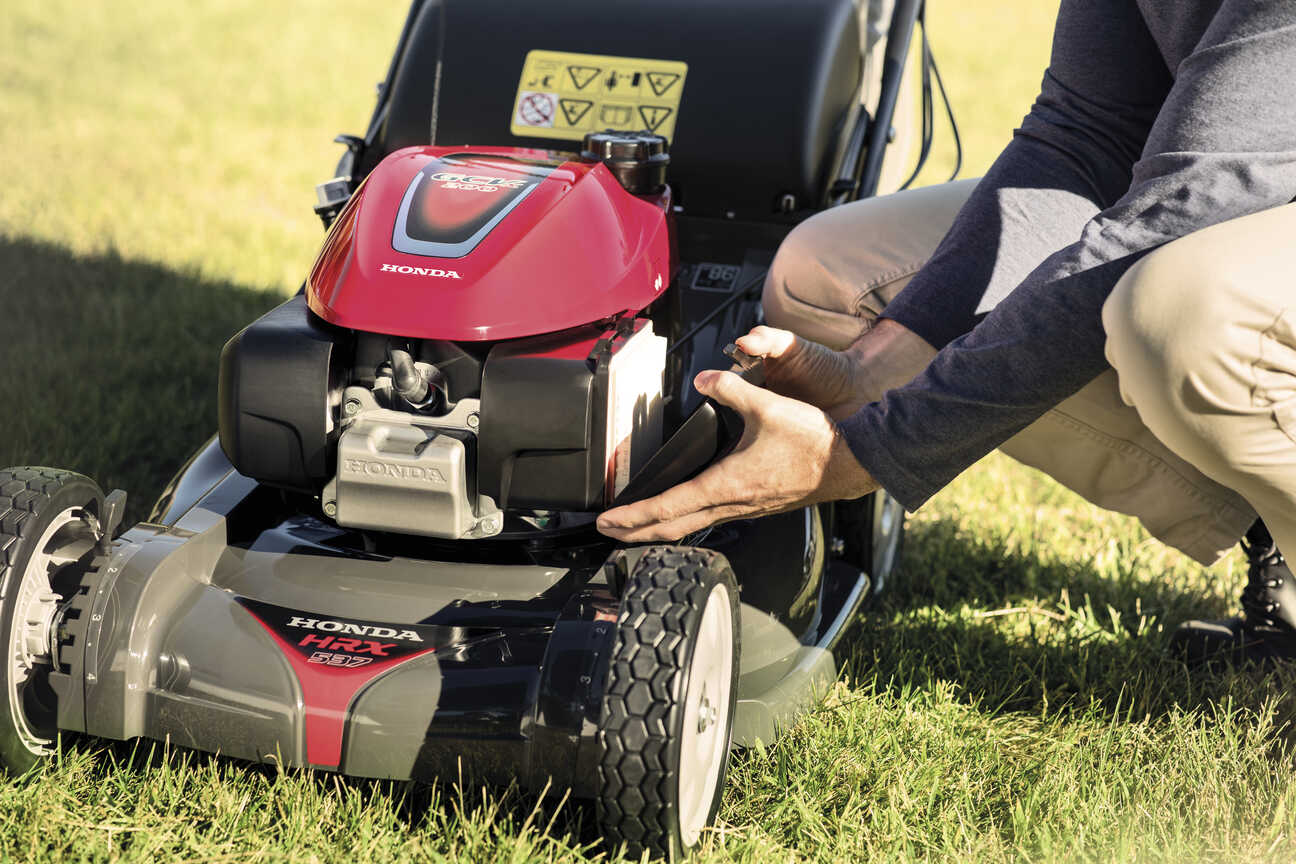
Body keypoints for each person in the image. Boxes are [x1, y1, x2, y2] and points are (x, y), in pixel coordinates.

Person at [596, 0, 1296, 662]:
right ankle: (1274, 521)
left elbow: (1184, 208)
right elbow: (1089, 132)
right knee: (831, 279)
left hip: (1234, 192)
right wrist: (870, 375)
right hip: (1225, 182)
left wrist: (864, 451)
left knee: (1182, 314)